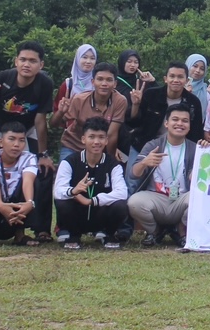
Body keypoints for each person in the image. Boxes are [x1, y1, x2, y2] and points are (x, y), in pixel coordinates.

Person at [0, 41, 55, 227]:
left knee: (44, 171)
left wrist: (43, 154)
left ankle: (41, 229)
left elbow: (40, 120)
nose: (26, 64)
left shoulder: (44, 84)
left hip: (26, 131)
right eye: (23, 59)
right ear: (16, 61)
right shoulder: (4, 77)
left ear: (41, 65)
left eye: (32, 61)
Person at [53, 117, 129, 250]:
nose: (96, 142)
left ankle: (108, 234)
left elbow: (122, 193)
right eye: (91, 137)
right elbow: (58, 190)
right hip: (76, 214)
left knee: (120, 205)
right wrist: (73, 191)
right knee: (62, 202)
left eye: (101, 137)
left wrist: (93, 201)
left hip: (100, 214)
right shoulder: (70, 161)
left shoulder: (113, 164)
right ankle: (73, 236)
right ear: (83, 139)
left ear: (106, 140)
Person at [127, 104, 196, 248]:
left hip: (181, 198)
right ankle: (155, 231)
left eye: (185, 121)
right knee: (134, 202)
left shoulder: (194, 148)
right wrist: (145, 162)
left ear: (189, 125)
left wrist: (194, 176)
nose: (180, 124)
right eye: (175, 119)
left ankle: (181, 230)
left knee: (199, 197)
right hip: (157, 197)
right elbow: (133, 174)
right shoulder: (153, 145)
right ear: (166, 123)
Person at [51, 62, 127, 161]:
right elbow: (54, 124)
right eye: (100, 79)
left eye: (109, 80)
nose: (104, 84)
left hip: (99, 150)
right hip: (74, 146)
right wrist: (60, 112)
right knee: (65, 170)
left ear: (115, 84)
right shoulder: (79, 99)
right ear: (93, 82)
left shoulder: (120, 101)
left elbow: (111, 134)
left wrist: (110, 161)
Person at [53, 44, 96, 109]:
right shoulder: (68, 85)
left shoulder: (98, 83)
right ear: (77, 59)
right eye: (84, 57)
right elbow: (56, 110)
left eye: (92, 58)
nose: (88, 61)